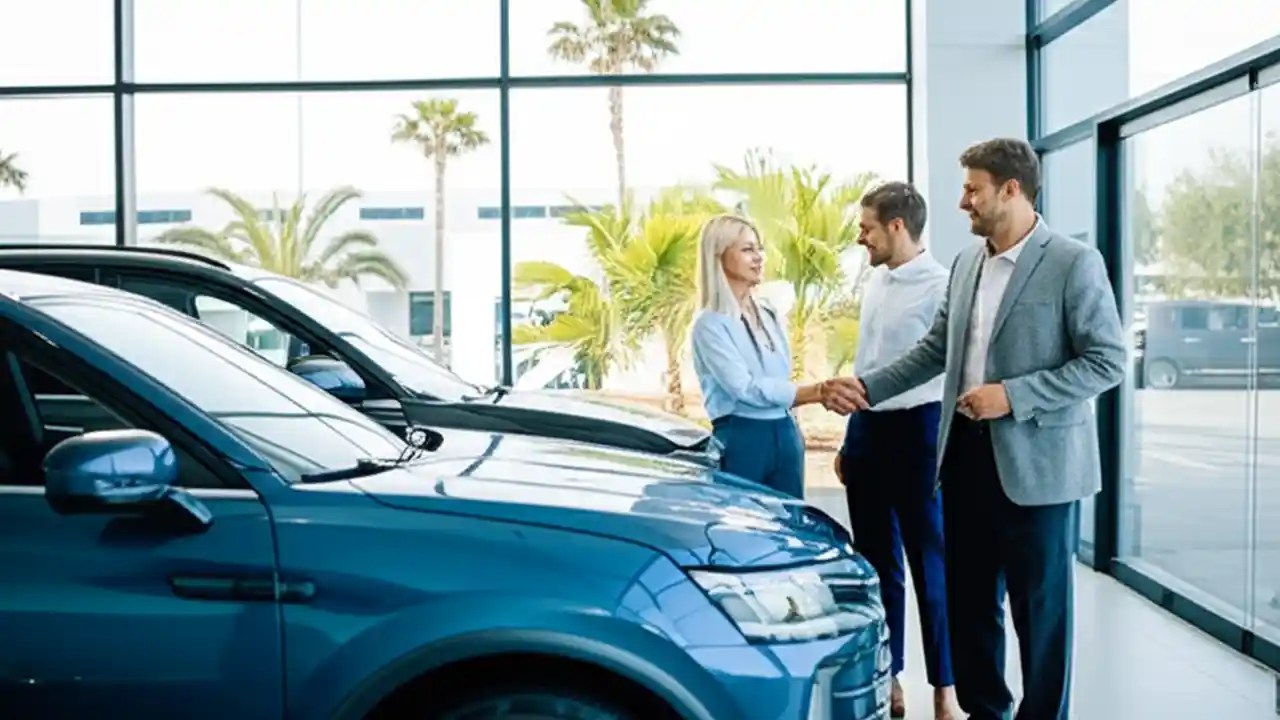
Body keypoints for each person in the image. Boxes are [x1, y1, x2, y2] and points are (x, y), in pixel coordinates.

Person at [824, 138, 1126, 720]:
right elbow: (935, 349)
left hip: (1038, 470)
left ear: (1011, 189)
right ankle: (987, 712)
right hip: (962, 461)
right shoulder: (966, 264)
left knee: (1040, 616)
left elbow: (1106, 360)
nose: (963, 201)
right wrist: (865, 392)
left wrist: (1011, 396)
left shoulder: (1071, 261)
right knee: (969, 609)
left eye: (973, 189)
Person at [834, 181, 962, 720]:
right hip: (868, 434)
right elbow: (867, 364)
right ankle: (890, 679)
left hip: (918, 435)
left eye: (866, 227)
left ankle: (947, 690)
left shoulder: (942, 287)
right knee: (877, 565)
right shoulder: (876, 284)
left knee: (931, 567)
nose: (860, 237)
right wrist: (849, 440)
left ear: (896, 226)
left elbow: (942, 369)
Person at [690, 213, 836, 499]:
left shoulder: (769, 314)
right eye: (747, 249)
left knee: (791, 523)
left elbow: (777, 376)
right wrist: (813, 392)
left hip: (784, 432)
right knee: (743, 526)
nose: (759, 258)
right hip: (743, 437)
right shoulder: (710, 324)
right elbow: (744, 388)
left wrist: (792, 425)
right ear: (719, 256)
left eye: (759, 249)